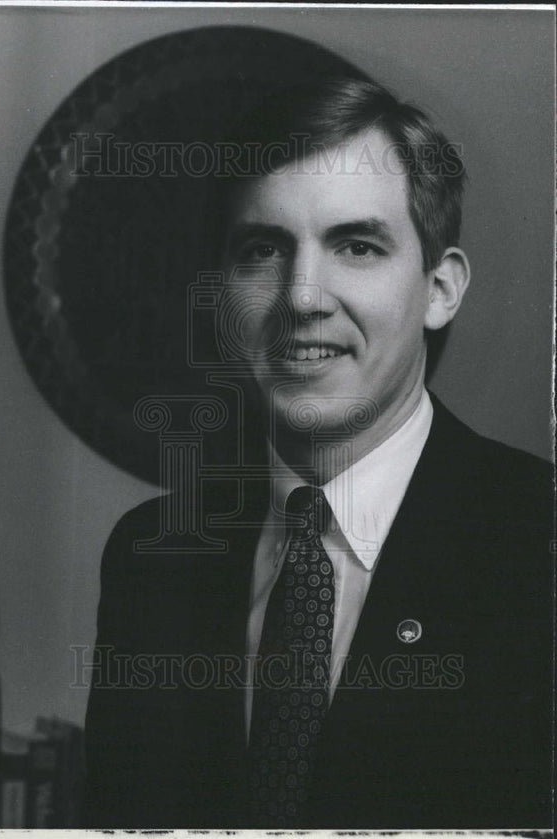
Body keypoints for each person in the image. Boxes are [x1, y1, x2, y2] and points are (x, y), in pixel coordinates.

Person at [83, 77, 553, 829]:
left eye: (356, 246)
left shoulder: (538, 542)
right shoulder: (150, 556)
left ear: (440, 287)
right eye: (263, 249)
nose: (301, 297)